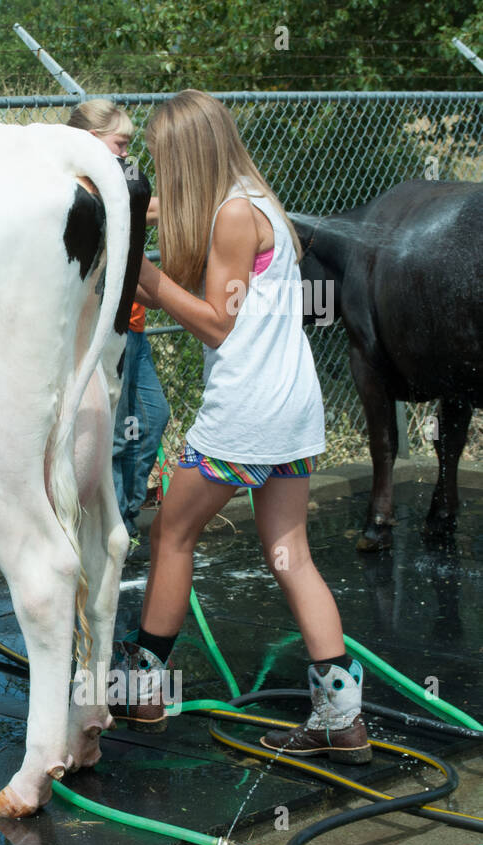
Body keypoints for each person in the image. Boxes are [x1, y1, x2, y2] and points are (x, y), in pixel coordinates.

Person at [111, 90, 368, 764]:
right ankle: (342, 719)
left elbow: (218, 325)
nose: (160, 171)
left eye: (164, 158)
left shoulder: (231, 216)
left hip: (248, 412)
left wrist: (144, 276)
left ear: (186, 154)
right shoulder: (258, 201)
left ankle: (144, 689)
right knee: (291, 556)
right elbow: (187, 240)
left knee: (172, 533)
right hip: (293, 406)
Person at [66, 100, 168, 557]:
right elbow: (141, 208)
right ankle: (106, 533)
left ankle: (121, 524)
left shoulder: (117, 188)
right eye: (121, 145)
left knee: (149, 420)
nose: (127, 157)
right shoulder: (82, 193)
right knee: (112, 436)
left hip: (134, 331)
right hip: (105, 338)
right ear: (90, 141)